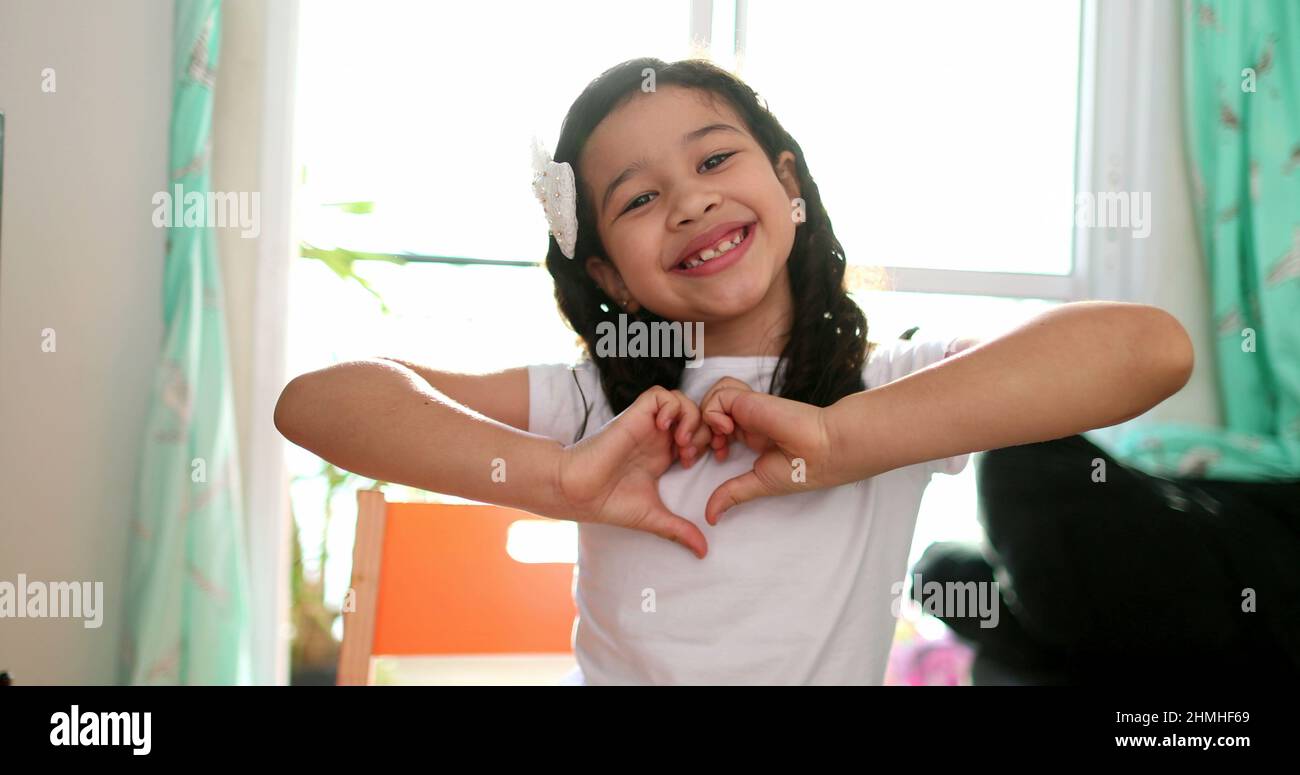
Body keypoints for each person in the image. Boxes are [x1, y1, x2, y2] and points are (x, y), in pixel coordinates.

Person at [274, 58, 1193, 685]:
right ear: (606, 275)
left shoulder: (892, 391)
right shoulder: (593, 400)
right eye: (638, 197)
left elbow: (1152, 349)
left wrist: (841, 439)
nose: (690, 198)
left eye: (715, 157)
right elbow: (316, 402)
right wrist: (562, 480)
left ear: (787, 183)